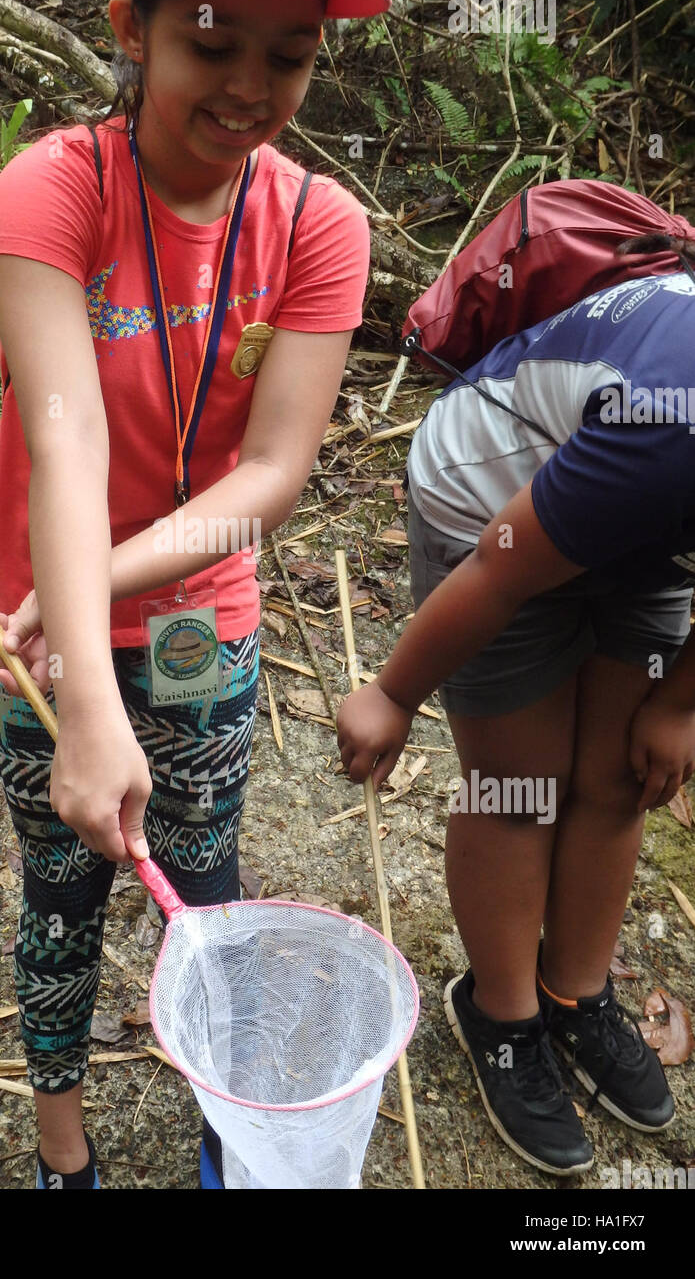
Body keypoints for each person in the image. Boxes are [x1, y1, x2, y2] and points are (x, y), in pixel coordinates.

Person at [0, 0, 390, 1189]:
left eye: (288, 54)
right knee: (63, 880)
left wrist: (96, 598)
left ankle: (233, 1126)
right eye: (210, 39)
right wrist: (85, 683)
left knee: (200, 872)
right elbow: (64, 438)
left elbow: (268, 476)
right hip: (37, 616)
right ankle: (60, 1149)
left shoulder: (318, 225)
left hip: (190, 613)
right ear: (129, 30)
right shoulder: (54, 187)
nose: (250, 83)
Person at [337, 265, 695, 1176]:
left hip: (649, 532)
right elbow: (501, 570)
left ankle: (573, 995)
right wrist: (393, 695)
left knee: (619, 776)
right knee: (517, 786)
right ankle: (498, 1012)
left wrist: (678, 702)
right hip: (492, 498)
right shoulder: (668, 421)